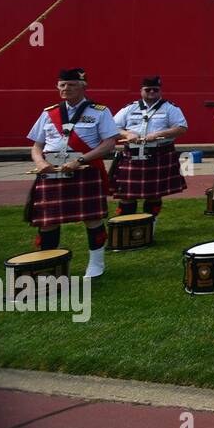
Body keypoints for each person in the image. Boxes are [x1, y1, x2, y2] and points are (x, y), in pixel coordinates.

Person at [26, 68, 118, 278]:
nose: (66, 89)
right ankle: (48, 264)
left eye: (72, 85)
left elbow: (109, 144)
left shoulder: (99, 111)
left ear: (83, 86)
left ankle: (96, 264)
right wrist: (40, 162)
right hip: (51, 173)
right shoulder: (49, 113)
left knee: (92, 218)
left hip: (85, 171)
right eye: (62, 85)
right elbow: (36, 145)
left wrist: (80, 160)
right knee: (47, 221)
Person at [110, 75, 188, 223]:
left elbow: (182, 128)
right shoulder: (129, 108)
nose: (152, 92)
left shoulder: (170, 108)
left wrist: (160, 134)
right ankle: (125, 225)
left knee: (154, 194)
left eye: (155, 89)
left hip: (159, 154)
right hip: (132, 155)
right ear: (141, 90)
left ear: (160, 91)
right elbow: (113, 126)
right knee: (126, 194)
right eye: (148, 89)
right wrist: (127, 133)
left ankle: (150, 224)